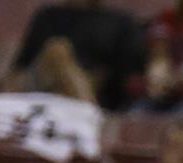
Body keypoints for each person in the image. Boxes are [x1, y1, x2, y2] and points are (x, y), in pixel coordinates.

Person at [9, 1, 150, 109]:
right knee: (57, 49)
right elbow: (18, 72)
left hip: (95, 93)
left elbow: (130, 79)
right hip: (46, 90)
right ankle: (84, 109)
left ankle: (82, 105)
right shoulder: (49, 17)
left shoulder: (121, 22)